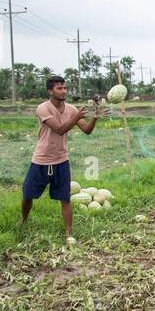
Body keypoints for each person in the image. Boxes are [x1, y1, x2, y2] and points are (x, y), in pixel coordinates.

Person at [21, 75, 101, 239]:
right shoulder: (43, 108)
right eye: (59, 88)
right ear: (50, 91)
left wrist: (94, 117)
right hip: (41, 160)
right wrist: (76, 117)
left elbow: (86, 130)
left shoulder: (71, 109)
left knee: (65, 199)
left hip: (61, 160)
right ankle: (23, 221)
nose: (64, 91)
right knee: (28, 195)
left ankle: (69, 234)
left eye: (65, 88)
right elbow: (59, 129)